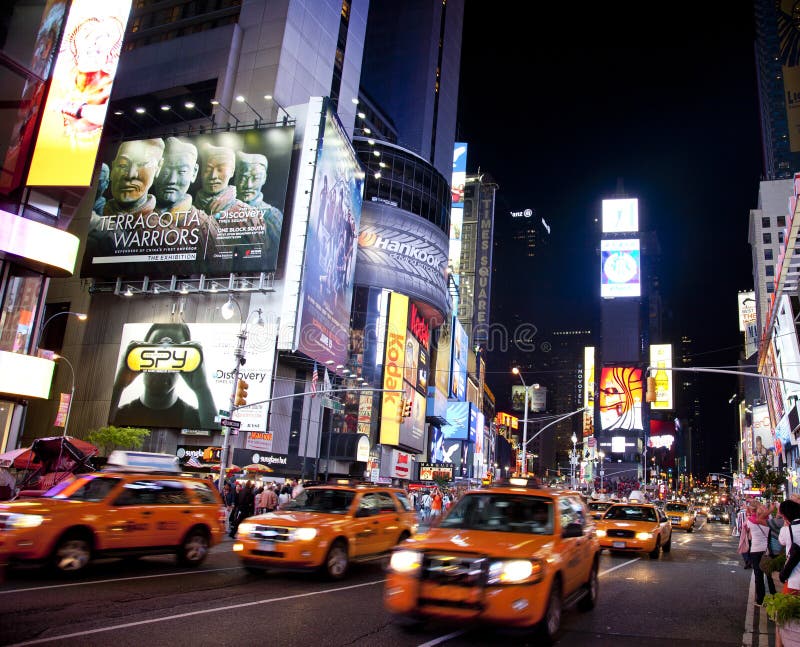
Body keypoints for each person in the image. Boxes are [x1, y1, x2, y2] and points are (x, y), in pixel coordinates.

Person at [108, 322, 217, 429]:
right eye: (155, 350)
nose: (163, 363)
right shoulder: (118, 414)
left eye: (174, 353)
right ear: (141, 353)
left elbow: (217, 435)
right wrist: (119, 385)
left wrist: (201, 388)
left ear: (186, 359)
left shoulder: (198, 419)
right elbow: (104, 428)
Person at [86, 138, 165, 259]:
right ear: (113, 169)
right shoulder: (92, 219)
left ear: (158, 168)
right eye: (123, 165)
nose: (130, 174)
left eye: (142, 164)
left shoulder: (164, 236)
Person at [58, 15, 124, 144]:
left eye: (98, 51)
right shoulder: (65, 77)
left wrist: (79, 109)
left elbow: (103, 116)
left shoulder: (108, 83)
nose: (92, 50)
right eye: (88, 48)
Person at [233, 151, 284, 266]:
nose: (248, 185)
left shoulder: (271, 215)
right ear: (236, 178)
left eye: (255, 178)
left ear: (264, 178)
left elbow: (281, 257)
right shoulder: (223, 211)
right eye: (243, 178)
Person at [748, 503, 777, 606]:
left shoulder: (750, 521)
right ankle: (774, 596)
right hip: (767, 550)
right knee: (769, 575)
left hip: (755, 550)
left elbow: (749, 535)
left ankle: (760, 600)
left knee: (758, 575)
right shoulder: (769, 521)